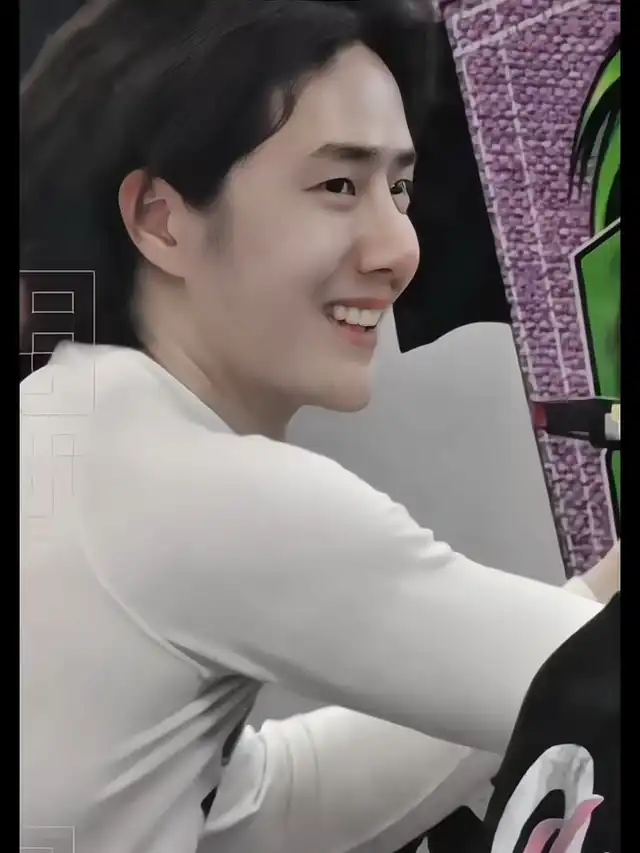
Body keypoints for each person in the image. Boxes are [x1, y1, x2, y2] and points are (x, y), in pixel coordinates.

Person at [20, 2, 615, 851]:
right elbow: (586, 684)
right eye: (339, 186)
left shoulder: (75, 424)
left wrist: (593, 598)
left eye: (399, 188)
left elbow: (254, 809)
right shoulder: (194, 488)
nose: (398, 248)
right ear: (161, 218)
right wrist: (577, 629)